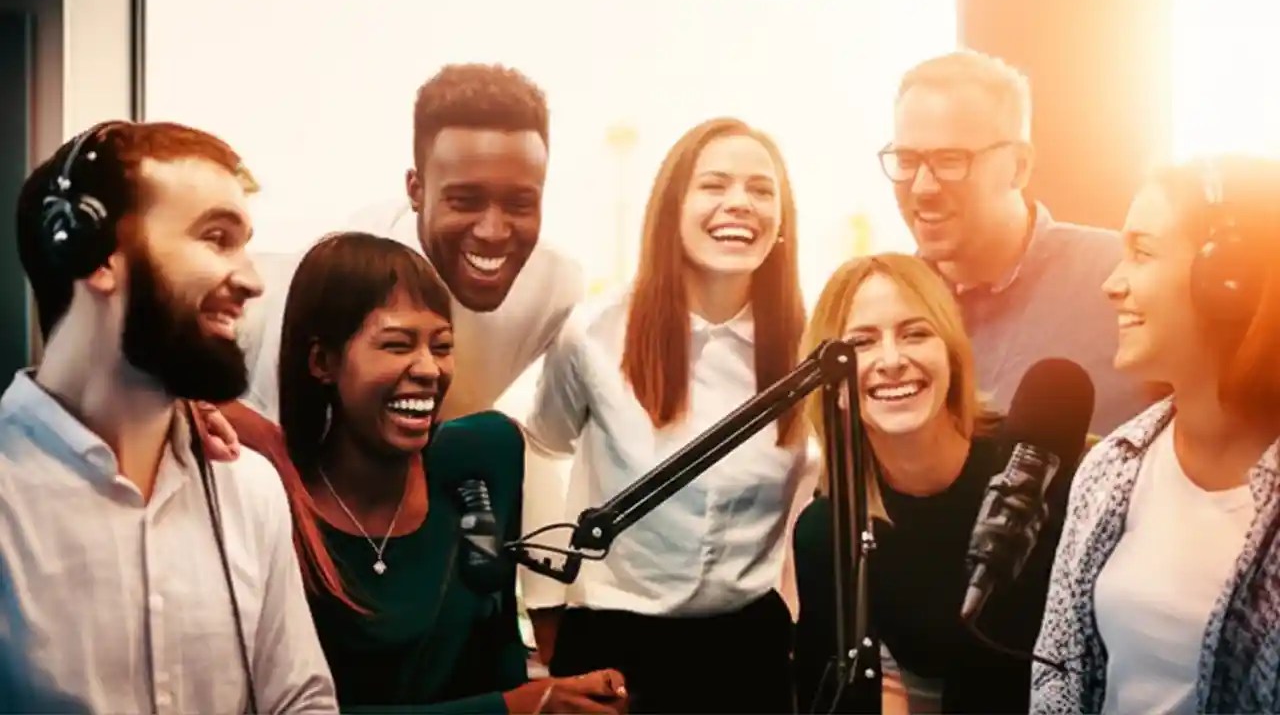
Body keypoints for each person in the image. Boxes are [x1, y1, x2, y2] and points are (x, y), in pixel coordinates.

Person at [0, 121, 336, 712]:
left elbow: (300, 700)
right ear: (95, 254)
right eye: (216, 238)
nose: (252, 280)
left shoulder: (247, 488)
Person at [216, 231, 627, 713]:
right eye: (396, 345)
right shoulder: (268, 502)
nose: (429, 369)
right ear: (323, 361)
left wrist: (568, 700)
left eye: (442, 345)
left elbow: (497, 654)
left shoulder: (486, 454)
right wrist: (517, 708)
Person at [522, 117, 812, 713]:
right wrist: (546, 607)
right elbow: (542, 448)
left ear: (782, 220)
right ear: (671, 208)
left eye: (761, 189)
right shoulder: (594, 334)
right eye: (715, 185)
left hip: (749, 647)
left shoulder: (806, 351)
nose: (740, 202)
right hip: (614, 640)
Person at [1031, 155, 1280, 713]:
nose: (1111, 285)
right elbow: (1057, 678)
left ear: (1229, 281)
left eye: (1141, 253)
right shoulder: (1110, 468)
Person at [792, 254, 1076, 714]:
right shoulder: (828, 533)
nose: (891, 361)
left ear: (951, 354)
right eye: (861, 342)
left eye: (915, 334)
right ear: (832, 381)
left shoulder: (1036, 469)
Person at [239, 63, 583, 425]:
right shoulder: (336, 277)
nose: (492, 232)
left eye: (520, 204)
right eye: (464, 201)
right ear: (416, 191)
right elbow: (264, 423)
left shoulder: (555, 287)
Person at [880, 49, 1149, 436]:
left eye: (950, 160)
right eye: (906, 160)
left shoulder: (1119, 279)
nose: (923, 187)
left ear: (1020, 166)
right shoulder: (885, 308)